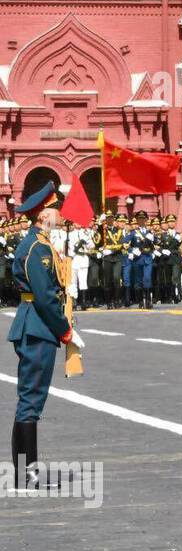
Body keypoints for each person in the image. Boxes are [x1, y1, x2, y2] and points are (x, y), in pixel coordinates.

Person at [7, 183, 86, 490]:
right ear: (43, 214)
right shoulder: (37, 248)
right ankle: (27, 473)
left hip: (37, 326)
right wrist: (65, 330)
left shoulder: (41, 243)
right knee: (31, 401)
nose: (60, 214)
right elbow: (42, 296)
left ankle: (25, 471)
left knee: (29, 400)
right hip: (38, 327)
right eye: (56, 208)